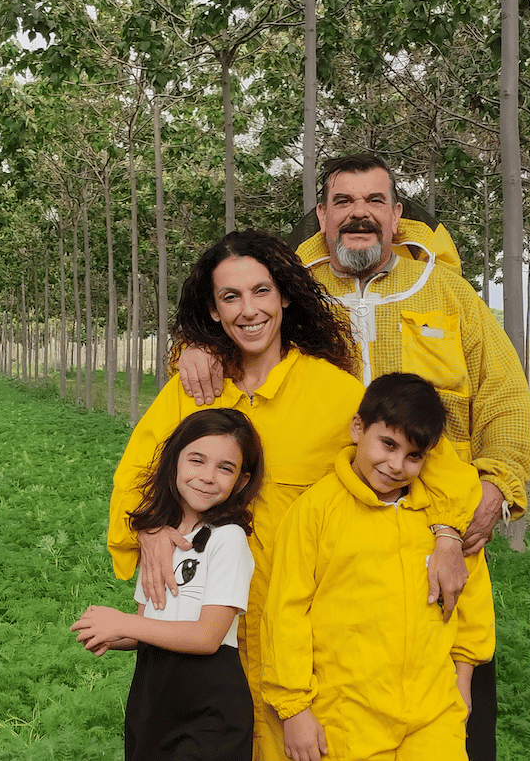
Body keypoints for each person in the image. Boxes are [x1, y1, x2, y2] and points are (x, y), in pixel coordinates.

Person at [179, 154, 530, 759]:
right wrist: (194, 346)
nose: (359, 214)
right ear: (322, 217)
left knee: (453, 707)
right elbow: (236, 322)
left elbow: (503, 396)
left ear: (397, 215)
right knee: (324, 697)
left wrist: (493, 491)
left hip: (436, 525)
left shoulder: (448, 293)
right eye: (343, 202)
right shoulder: (296, 296)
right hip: (329, 533)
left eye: (374, 201)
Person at [109, 229, 482, 761]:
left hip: (301, 638)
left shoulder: (335, 394)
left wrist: (446, 533)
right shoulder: (193, 390)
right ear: (213, 311)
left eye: (261, 291)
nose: (248, 310)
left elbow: (436, 465)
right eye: (230, 297)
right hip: (206, 634)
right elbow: (136, 477)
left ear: (284, 296)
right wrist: (148, 528)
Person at [262, 373, 494, 761]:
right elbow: (285, 613)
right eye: (388, 444)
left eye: (414, 456)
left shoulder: (443, 521)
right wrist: (294, 708)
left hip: (433, 714)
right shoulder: (316, 511)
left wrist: (463, 680)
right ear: (358, 428)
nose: (396, 465)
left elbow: (472, 601)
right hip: (345, 717)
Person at [74, 408, 264, 760]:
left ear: (241, 481)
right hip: (153, 699)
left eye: (225, 468)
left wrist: (123, 623)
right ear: (174, 460)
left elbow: (207, 636)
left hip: (208, 708)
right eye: (197, 460)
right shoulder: (159, 541)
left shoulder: (228, 539)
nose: (207, 477)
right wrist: (110, 635)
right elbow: (149, 625)